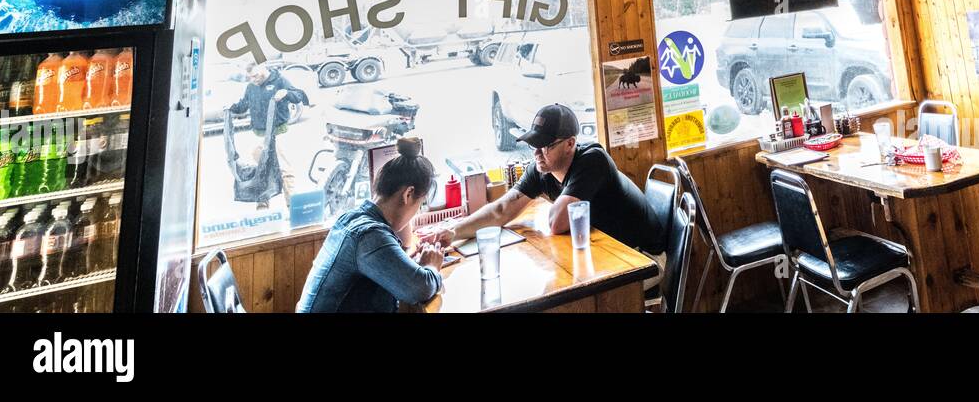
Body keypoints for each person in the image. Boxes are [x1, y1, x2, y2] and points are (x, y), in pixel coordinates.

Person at [425, 104, 662, 254]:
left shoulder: (592, 160)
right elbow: (502, 209)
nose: (537, 153)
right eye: (533, 145)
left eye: (545, 146)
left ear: (570, 143)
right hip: (608, 249)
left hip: (643, 257)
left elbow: (557, 223)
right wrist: (454, 232)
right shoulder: (543, 166)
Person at [297, 139, 445, 312]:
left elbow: (403, 244)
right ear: (408, 194)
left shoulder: (351, 218)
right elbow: (420, 289)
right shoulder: (370, 236)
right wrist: (432, 266)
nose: (416, 212)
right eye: (419, 204)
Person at [229, 63, 310, 201]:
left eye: (255, 76)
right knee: (262, 169)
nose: (253, 80)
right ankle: (263, 203)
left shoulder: (280, 80)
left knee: (284, 168)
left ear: (263, 68)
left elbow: (299, 96)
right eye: (249, 77)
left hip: (277, 133)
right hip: (259, 135)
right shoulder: (251, 86)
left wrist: (286, 93)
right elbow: (243, 105)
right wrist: (230, 108)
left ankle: (292, 205)